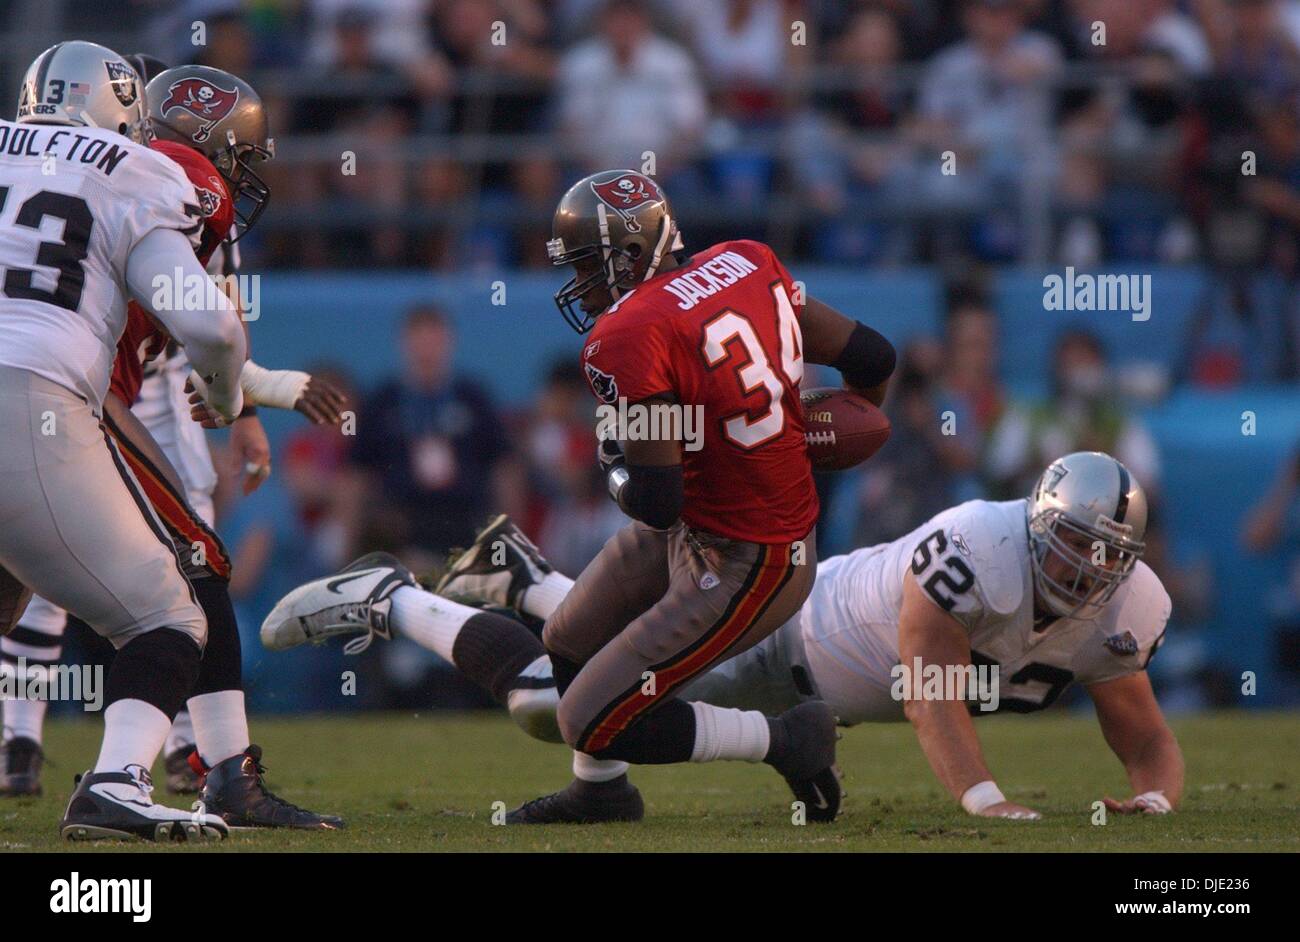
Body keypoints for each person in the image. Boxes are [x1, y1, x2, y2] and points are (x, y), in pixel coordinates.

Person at [264, 168, 898, 824]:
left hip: (748, 556)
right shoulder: (748, 260)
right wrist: (819, 427)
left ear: (632, 256)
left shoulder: (629, 334)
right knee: (567, 642)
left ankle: (789, 739)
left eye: (590, 267)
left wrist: (615, 467)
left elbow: (655, 499)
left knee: (587, 717)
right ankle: (602, 790)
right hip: (705, 522)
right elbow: (874, 359)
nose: (583, 287)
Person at [266, 452, 1183, 821]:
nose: (1078, 571)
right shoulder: (978, 548)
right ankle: (393, 596)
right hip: (784, 629)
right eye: (1064, 545)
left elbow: (1139, 728)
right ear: (1031, 527)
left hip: (805, 674)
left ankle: (529, 578)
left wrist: (1158, 804)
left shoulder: (1125, 608)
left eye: (1099, 555)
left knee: (585, 681)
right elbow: (930, 685)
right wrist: (984, 799)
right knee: (557, 707)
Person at [0, 61, 347, 831]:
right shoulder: (160, 171)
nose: (235, 179)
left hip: (61, 393)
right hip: (50, 398)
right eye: (236, 158)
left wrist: (256, 392)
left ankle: (216, 771)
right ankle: (151, 778)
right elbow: (211, 323)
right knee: (179, 595)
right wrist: (230, 398)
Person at [0, 41, 244, 840]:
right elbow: (207, 325)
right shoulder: (132, 171)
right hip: (30, 400)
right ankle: (115, 782)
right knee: (167, 619)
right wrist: (228, 393)